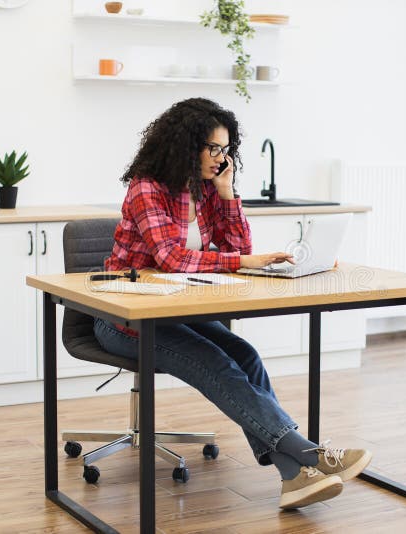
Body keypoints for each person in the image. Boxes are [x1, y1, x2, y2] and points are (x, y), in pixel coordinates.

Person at [94, 97, 372, 509]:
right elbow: (172, 257)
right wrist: (242, 260)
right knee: (216, 362)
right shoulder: (146, 187)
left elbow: (239, 247)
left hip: (176, 310)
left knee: (245, 355)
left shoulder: (205, 189)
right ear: (186, 146)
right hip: (125, 318)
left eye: (226, 150)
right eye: (214, 150)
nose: (221, 158)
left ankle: (293, 475)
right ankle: (309, 453)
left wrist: (226, 192)